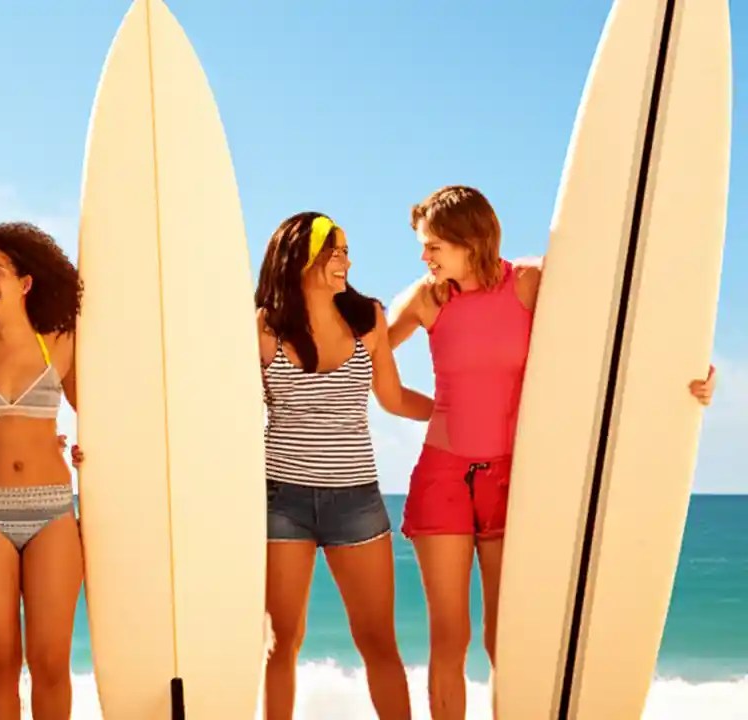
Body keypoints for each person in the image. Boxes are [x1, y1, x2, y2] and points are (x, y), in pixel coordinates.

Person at [386, 184, 718, 719]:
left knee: (506, 639)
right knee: (450, 638)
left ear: (469, 240)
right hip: (442, 479)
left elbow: (618, 326)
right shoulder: (428, 297)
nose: (424, 258)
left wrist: (688, 369)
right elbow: (362, 351)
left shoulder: (530, 282)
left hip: (512, 480)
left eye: (433, 246)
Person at [255, 212, 430, 720]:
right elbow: (229, 406)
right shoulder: (265, 327)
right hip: (281, 501)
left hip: (356, 501)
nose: (347, 262)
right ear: (302, 256)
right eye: (336, 251)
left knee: (378, 640)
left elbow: (393, 398)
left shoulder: (367, 317)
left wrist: (452, 411)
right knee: (280, 641)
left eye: (347, 251)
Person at [0, 221, 82, 720]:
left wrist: (89, 454)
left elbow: (98, 414)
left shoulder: (62, 344)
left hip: (51, 514)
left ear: (25, 283)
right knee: (0, 664)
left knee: (50, 663)